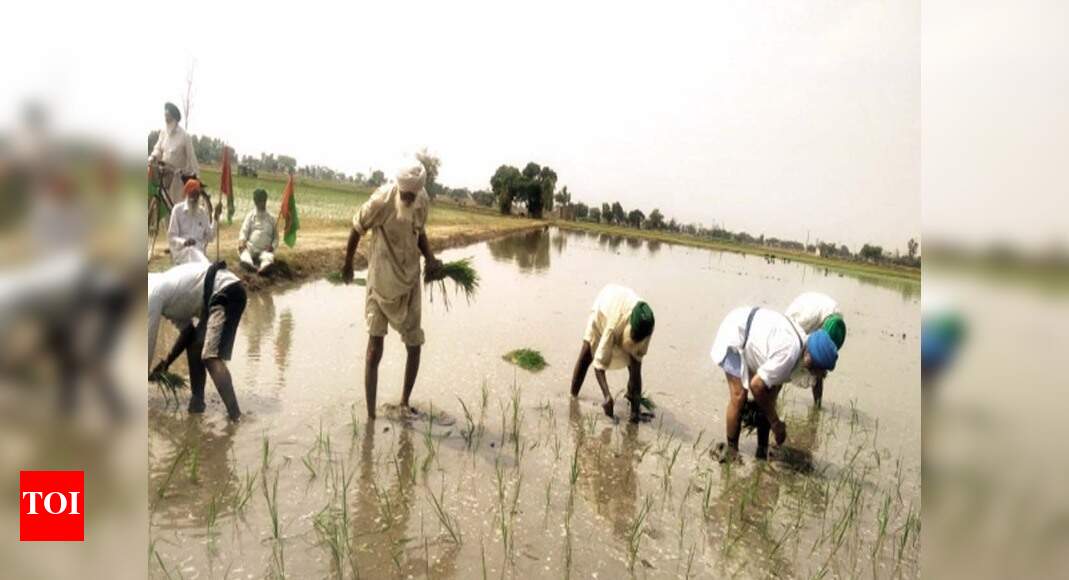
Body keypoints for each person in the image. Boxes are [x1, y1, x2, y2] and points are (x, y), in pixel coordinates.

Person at [341, 160, 442, 420]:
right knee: (374, 348)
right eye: (406, 194)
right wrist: (348, 265)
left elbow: (420, 233)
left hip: (409, 281)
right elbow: (356, 229)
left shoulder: (422, 200)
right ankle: (371, 415)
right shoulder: (381, 201)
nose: (409, 199)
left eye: (413, 194)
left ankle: (404, 402)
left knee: (414, 345)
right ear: (399, 187)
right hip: (380, 280)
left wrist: (429, 258)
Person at [710, 306, 838, 460]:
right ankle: (731, 450)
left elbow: (769, 396)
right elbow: (756, 386)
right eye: (819, 370)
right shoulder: (789, 354)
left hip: (752, 337)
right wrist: (776, 423)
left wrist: (769, 412)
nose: (821, 375)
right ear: (810, 359)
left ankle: (762, 450)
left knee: (768, 399)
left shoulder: (802, 346)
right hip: (735, 334)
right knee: (739, 396)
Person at [148, 260, 246, 421]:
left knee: (210, 356)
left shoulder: (152, 294)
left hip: (225, 292)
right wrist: (167, 362)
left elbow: (147, 343)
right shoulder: (166, 294)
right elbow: (188, 332)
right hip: (219, 292)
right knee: (194, 344)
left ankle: (236, 417)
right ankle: (197, 403)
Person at [569, 284, 655, 422]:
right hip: (604, 308)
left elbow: (637, 368)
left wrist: (635, 412)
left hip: (622, 307)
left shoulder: (647, 325)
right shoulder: (614, 325)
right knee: (587, 353)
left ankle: (634, 406)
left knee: (634, 363)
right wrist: (607, 396)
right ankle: (572, 397)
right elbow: (598, 365)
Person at [784, 291, 846, 406]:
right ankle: (772, 397)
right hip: (797, 323)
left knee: (819, 367)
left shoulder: (837, 324)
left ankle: (817, 405)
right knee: (787, 360)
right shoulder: (808, 316)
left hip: (817, 324)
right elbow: (790, 333)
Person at [148, 102, 199, 204]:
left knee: (176, 206)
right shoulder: (163, 133)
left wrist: (196, 178)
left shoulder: (184, 136)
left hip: (178, 179)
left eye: (168, 117)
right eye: (165, 116)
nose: (166, 120)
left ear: (174, 119)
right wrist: (153, 156)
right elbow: (158, 148)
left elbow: (191, 158)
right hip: (165, 175)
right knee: (163, 203)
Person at [168, 179, 220, 264]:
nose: (195, 197)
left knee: (197, 256)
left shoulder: (202, 213)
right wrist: (184, 242)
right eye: (192, 193)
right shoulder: (177, 210)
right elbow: (172, 237)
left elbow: (210, 237)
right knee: (191, 251)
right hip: (182, 252)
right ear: (187, 193)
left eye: (197, 194)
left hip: (198, 252)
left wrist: (216, 218)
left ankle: (207, 267)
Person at [238, 188, 278, 273]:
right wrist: (242, 241)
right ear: (255, 202)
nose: (262, 203)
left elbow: (276, 238)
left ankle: (264, 268)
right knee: (243, 252)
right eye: (260, 201)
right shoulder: (250, 216)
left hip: (265, 249)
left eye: (263, 201)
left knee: (268, 258)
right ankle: (249, 265)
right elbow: (243, 231)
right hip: (251, 247)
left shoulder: (271, 218)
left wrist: (272, 246)